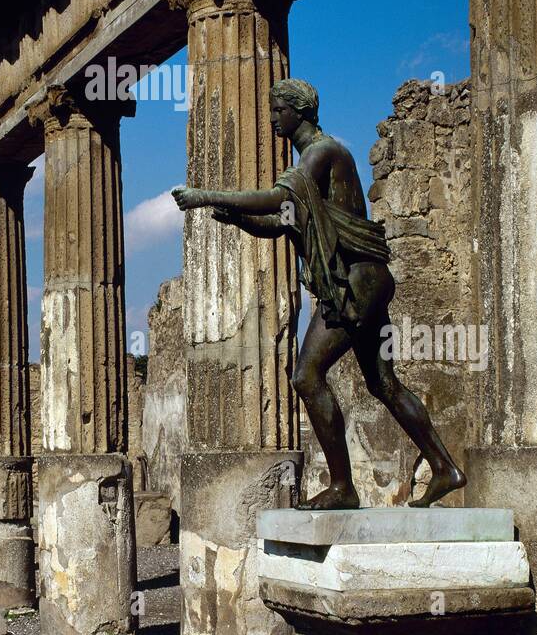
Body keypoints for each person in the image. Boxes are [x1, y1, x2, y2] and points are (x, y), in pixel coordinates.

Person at [172, 76, 465, 509]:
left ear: (299, 112)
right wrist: (234, 217)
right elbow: (281, 221)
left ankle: (344, 488)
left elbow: (276, 199)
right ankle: (444, 468)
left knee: (306, 375)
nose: (272, 118)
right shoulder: (314, 166)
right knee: (384, 384)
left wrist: (204, 196)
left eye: (278, 110)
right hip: (362, 279)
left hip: (355, 282)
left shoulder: (322, 153)